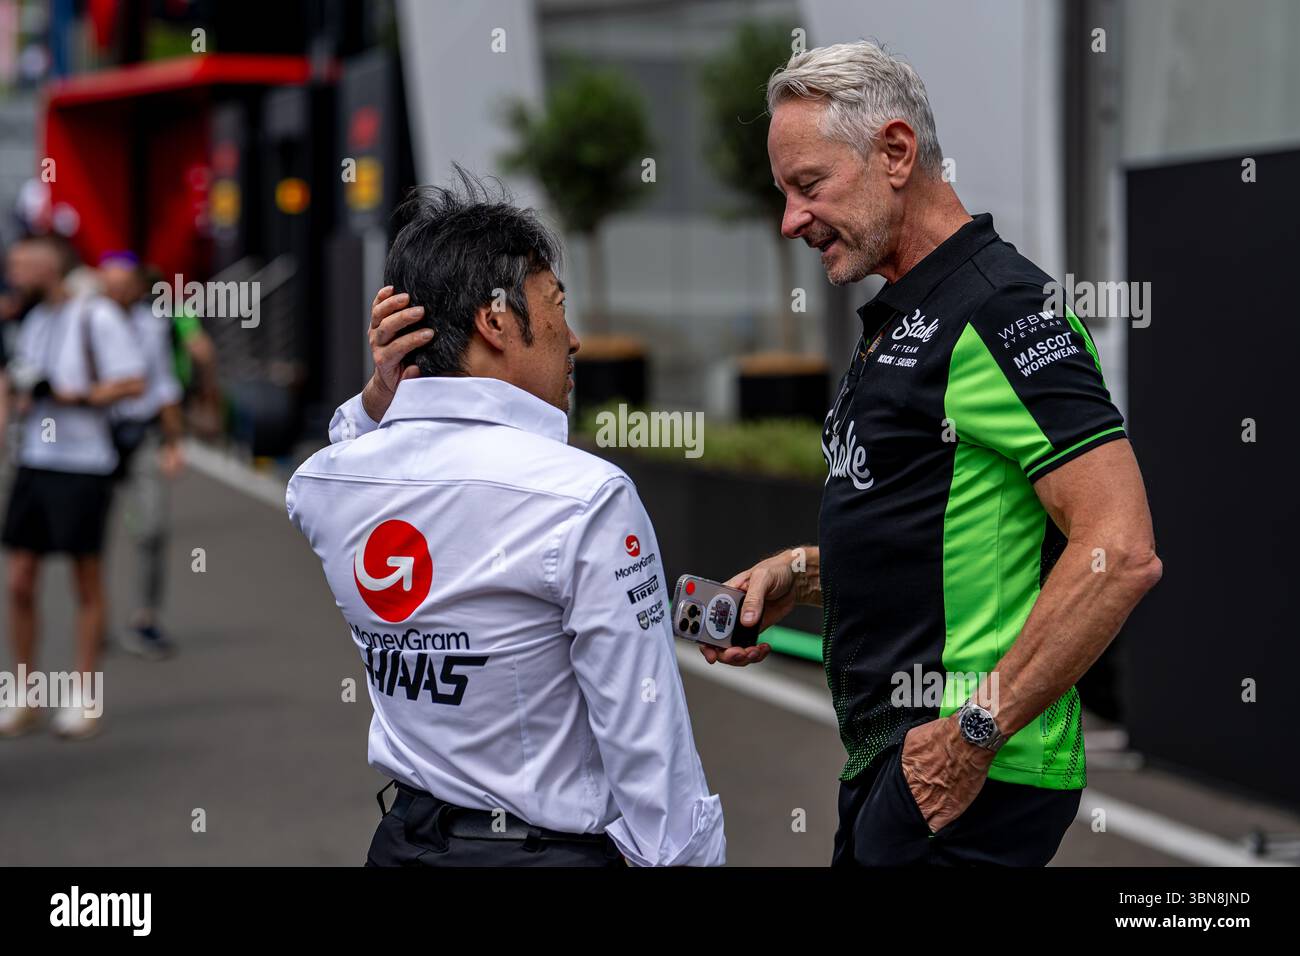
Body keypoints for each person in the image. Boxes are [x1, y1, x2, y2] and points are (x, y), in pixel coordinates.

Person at [706, 40, 1162, 866]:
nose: (790, 221)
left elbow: (1119, 549)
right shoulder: (906, 316)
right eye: (784, 193)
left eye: (809, 187)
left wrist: (975, 733)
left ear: (894, 152)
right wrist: (801, 574)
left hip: (970, 770)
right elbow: (942, 538)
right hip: (904, 763)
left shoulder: (998, 307)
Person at [287, 172, 725, 867]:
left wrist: (380, 395)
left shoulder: (327, 486)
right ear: (495, 321)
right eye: (556, 305)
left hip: (402, 844)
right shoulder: (585, 497)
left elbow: (346, 454)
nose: (572, 337)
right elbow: (648, 747)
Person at [0, 236, 146, 739]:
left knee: (85, 579)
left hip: (84, 463)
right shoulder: (34, 319)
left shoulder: (97, 316)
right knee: (19, 579)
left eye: (25, 262)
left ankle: (83, 695)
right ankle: (25, 694)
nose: (14, 270)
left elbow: (133, 381)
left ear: (53, 266)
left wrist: (73, 396)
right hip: (35, 461)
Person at [99, 252, 185, 659]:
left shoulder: (152, 324)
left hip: (143, 433)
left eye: (123, 284)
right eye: (108, 284)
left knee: (152, 527)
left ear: (136, 286)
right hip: (93, 435)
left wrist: (172, 442)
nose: (116, 292)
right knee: (90, 532)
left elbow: (164, 382)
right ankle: (95, 612)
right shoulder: (87, 321)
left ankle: (145, 617)